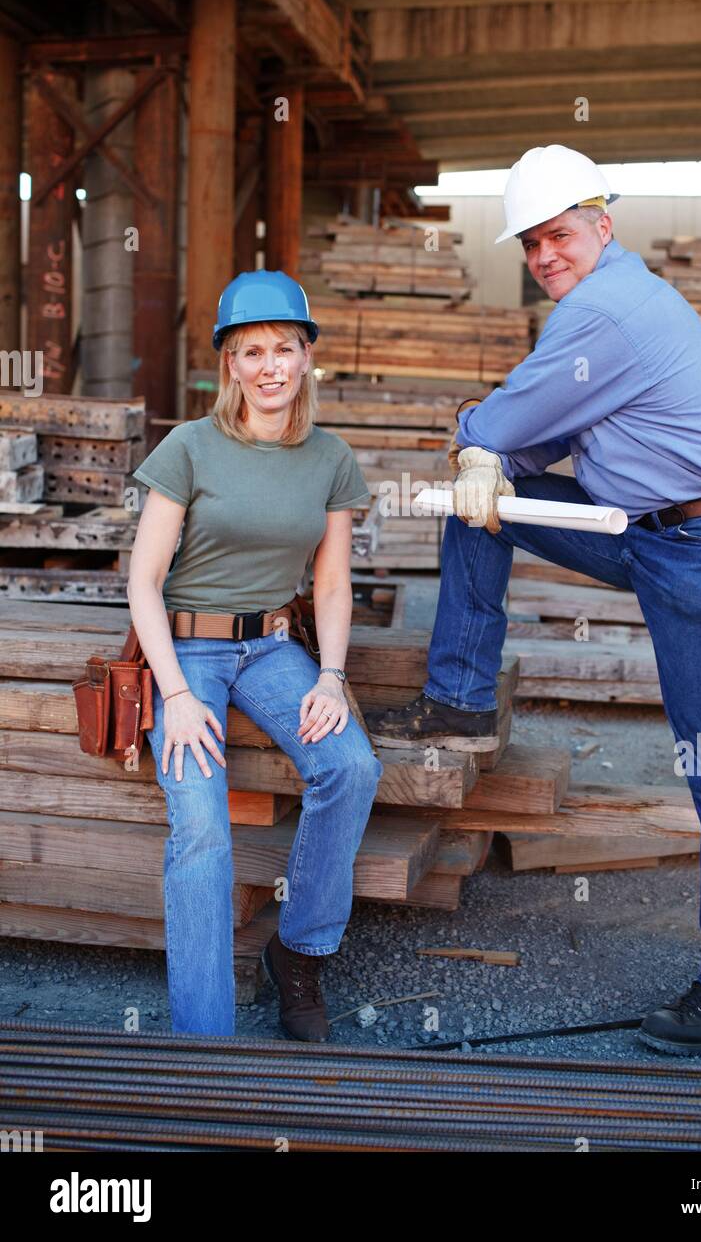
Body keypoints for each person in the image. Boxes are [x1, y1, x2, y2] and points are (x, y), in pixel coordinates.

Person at [367, 145, 701, 1057]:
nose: (545, 255)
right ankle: (461, 700)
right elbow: (521, 444)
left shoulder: (606, 312)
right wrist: (493, 457)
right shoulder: (594, 306)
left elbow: (496, 426)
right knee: (476, 511)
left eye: (559, 234)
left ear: (604, 225)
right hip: (642, 526)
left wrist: (483, 441)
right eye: (530, 243)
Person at [127, 270, 382, 1041]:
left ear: (307, 358)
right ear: (229, 365)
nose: (269, 366)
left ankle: (298, 954)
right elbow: (142, 584)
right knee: (203, 825)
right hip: (186, 653)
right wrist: (173, 695)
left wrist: (332, 677)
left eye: (284, 348)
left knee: (352, 766)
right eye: (250, 352)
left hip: (274, 649)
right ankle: (205, 1045)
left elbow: (333, 583)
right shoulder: (189, 449)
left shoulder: (331, 459)